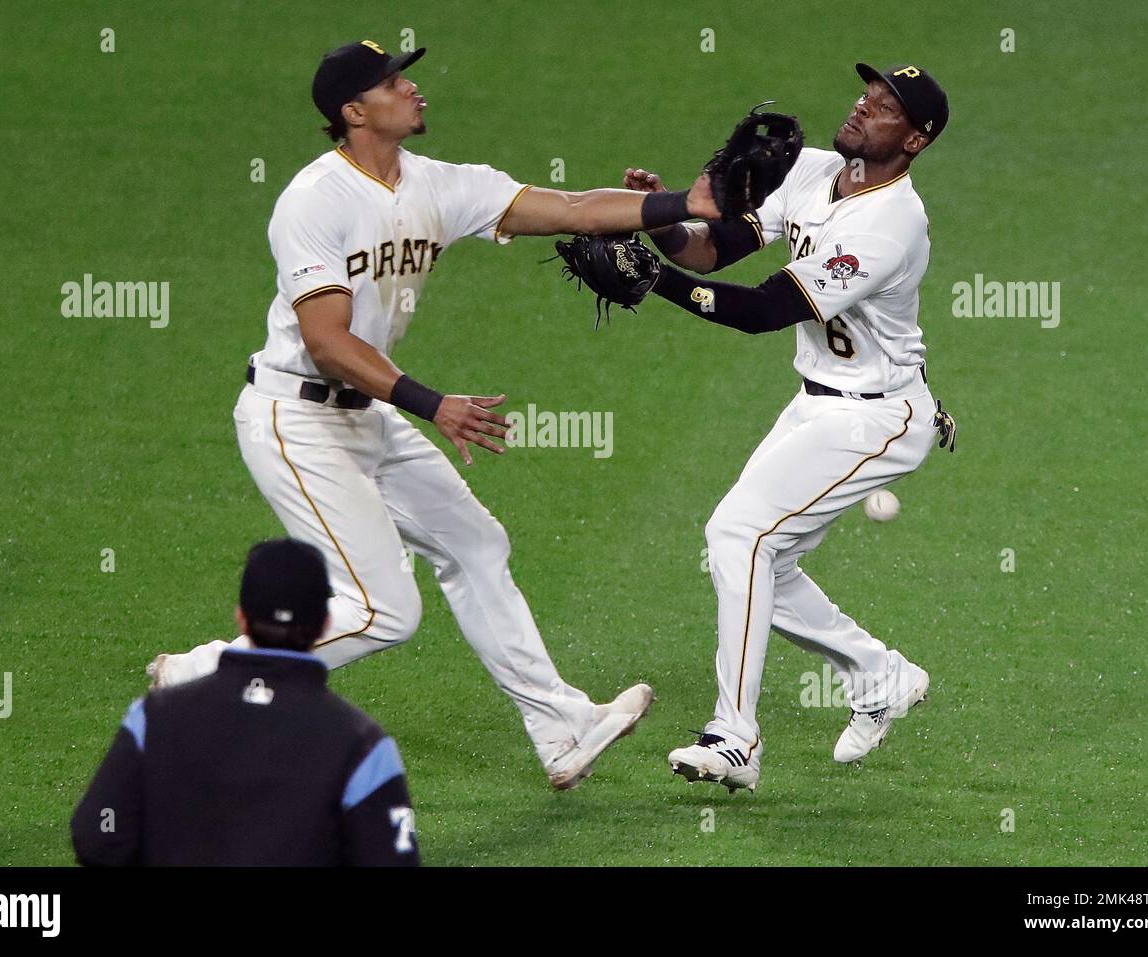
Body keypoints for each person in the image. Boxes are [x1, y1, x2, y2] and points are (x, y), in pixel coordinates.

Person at [147, 39, 720, 789]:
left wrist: (684, 205)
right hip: (297, 419)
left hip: (366, 414)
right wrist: (433, 404)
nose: (412, 87)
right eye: (391, 82)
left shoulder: (435, 184)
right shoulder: (314, 201)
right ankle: (200, 676)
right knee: (385, 610)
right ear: (355, 111)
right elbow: (325, 343)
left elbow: (572, 209)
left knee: (476, 543)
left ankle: (562, 726)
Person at [624, 64, 955, 791]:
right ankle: (880, 674)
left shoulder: (888, 224)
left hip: (878, 416)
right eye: (868, 93)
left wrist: (650, 280)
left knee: (737, 534)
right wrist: (666, 230)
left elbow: (762, 311)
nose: (865, 106)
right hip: (819, 404)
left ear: (917, 139)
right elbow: (719, 250)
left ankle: (735, 737)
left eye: (887, 107)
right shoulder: (812, 169)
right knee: (754, 557)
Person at [73, 539, 419, 866]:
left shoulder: (153, 718)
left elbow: (96, 838)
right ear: (326, 624)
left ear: (241, 617)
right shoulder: (362, 744)